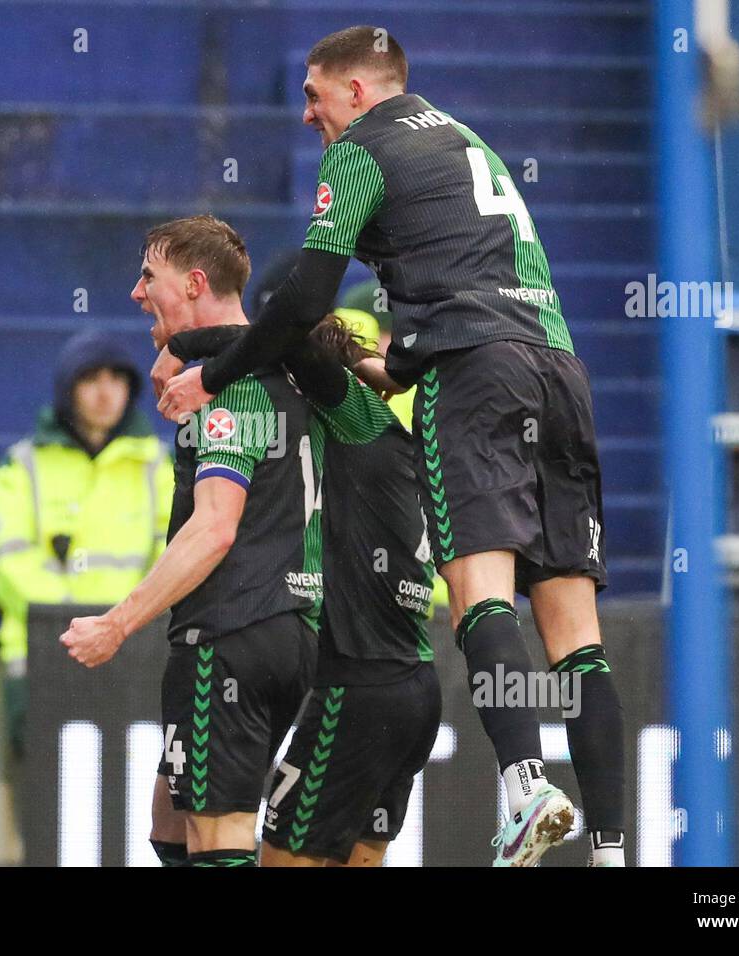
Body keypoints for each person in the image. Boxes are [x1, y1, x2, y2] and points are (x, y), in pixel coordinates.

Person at [156, 26, 625, 867]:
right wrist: (390, 362)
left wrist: (217, 370)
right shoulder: (463, 138)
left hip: (475, 379)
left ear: (359, 92)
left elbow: (301, 298)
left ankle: (525, 783)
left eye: (314, 96)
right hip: (559, 368)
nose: (307, 116)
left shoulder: (362, 149)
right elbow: (463, 276)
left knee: (479, 592)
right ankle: (616, 849)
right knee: (577, 637)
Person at [60, 215, 320, 867]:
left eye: (149, 276)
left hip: (230, 635)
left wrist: (118, 624)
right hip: (302, 629)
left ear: (195, 282)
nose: (135, 291)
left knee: (218, 832)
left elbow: (214, 528)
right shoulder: (296, 374)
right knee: (171, 817)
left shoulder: (231, 392)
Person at [168, 315, 441, 867]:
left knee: (279, 857)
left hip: (356, 689)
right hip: (415, 685)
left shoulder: (357, 419)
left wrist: (185, 346)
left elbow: (286, 338)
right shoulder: (410, 452)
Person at [0, 330, 173, 758]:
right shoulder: (22, 464)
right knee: (47, 811)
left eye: (117, 379)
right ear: (67, 389)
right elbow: (9, 562)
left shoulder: (157, 466)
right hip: (43, 661)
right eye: (91, 379)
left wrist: (120, 626)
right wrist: (80, 629)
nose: (105, 393)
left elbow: (172, 555)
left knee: (135, 803)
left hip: (136, 658)